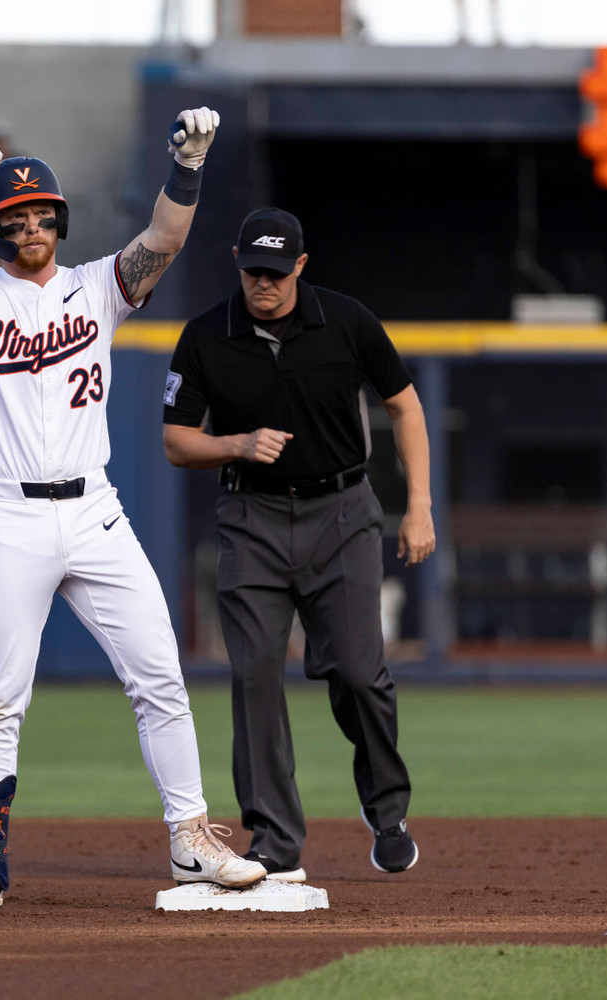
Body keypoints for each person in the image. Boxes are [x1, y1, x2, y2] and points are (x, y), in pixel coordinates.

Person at [0, 109, 267, 913]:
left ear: (58, 222)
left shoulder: (95, 289)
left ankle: (190, 838)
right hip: (9, 514)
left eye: (43, 213)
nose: (33, 225)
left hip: (95, 511)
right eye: (16, 218)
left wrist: (186, 166)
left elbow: (167, 239)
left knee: (161, 676)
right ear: (0, 229)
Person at [161, 208, 435, 883]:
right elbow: (175, 440)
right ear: (236, 262)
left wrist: (420, 506)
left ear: (301, 268)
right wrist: (236, 444)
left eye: (278, 272)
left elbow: (404, 404)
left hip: (341, 513)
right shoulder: (204, 337)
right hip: (251, 518)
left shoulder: (346, 322)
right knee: (254, 674)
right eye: (254, 269)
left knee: (358, 672)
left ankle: (386, 809)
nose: (265, 283)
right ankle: (275, 839)